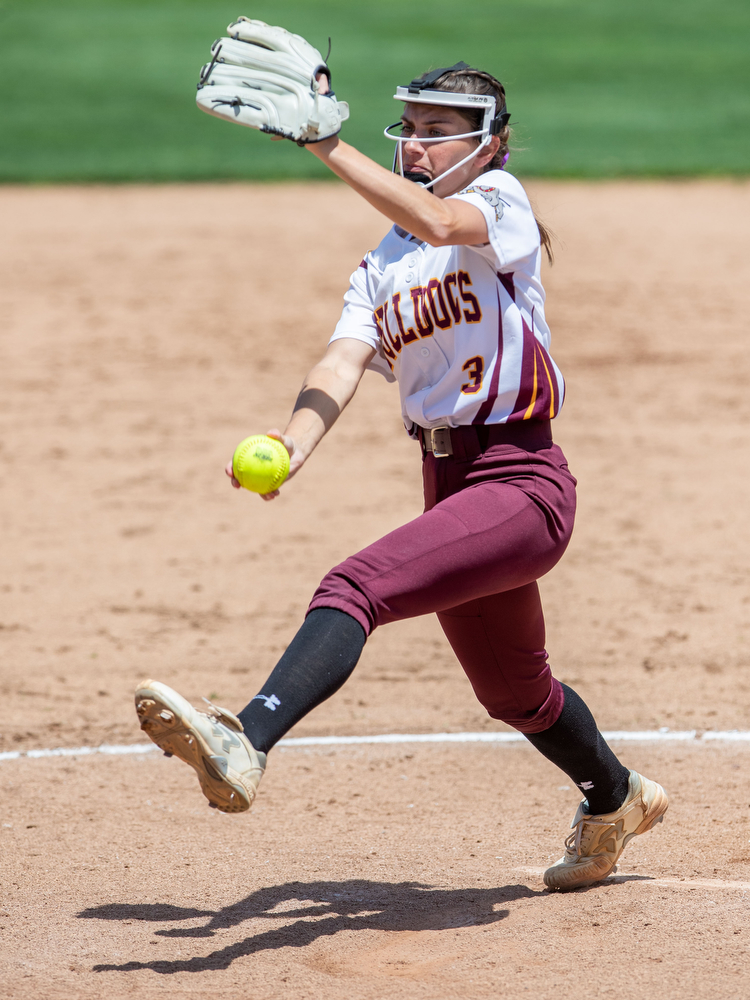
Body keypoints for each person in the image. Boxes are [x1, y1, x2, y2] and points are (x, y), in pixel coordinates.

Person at [135, 62, 667, 891]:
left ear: (488, 142)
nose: (415, 144)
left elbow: (439, 218)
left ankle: (247, 739)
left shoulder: (497, 203)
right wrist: (294, 444)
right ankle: (616, 798)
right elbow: (342, 360)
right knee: (515, 692)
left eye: (436, 130)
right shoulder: (383, 263)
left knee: (355, 586)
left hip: (520, 483)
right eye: (409, 129)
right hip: (448, 487)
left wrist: (325, 146)